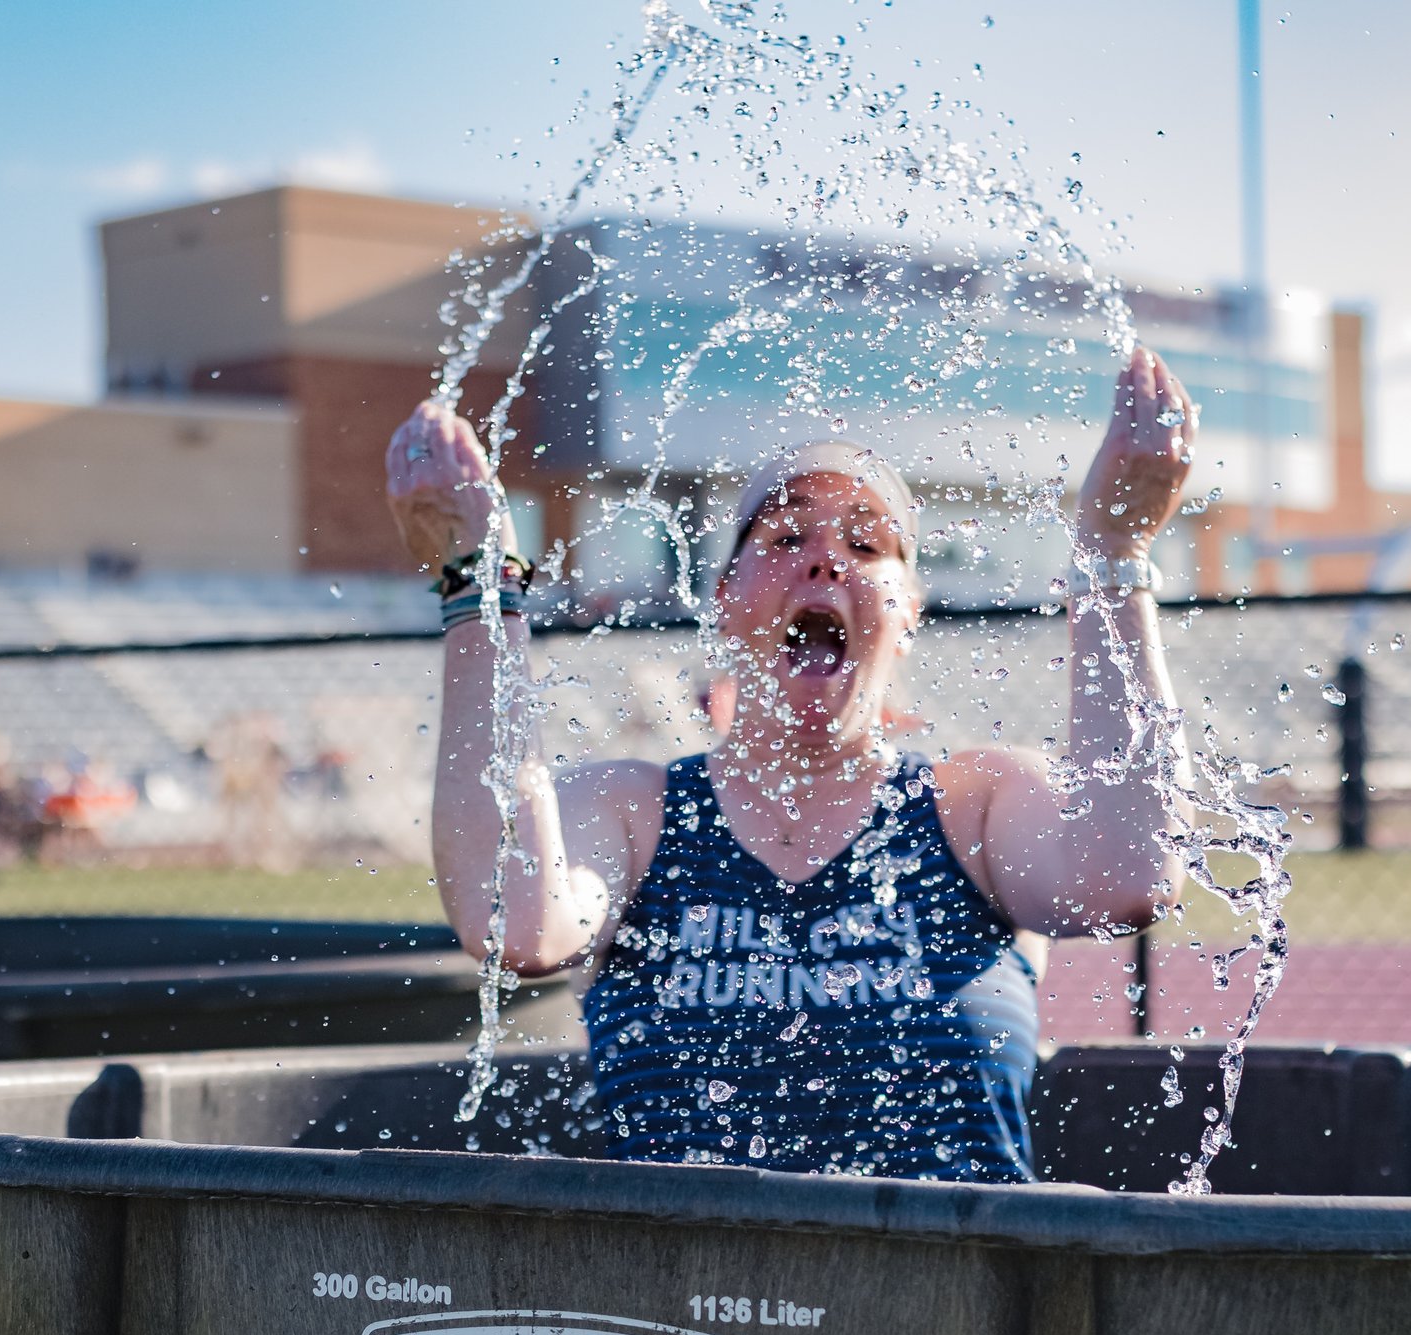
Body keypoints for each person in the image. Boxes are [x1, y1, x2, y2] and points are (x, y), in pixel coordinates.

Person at [387, 347, 1198, 1182]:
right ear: (726, 598)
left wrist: (1112, 551)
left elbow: (1127, 873)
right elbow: (511, 922)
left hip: (959, 1304)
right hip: (689, 1307)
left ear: (908, 611)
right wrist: (480, 585)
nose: (824, 560)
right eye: (783, 535)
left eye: (866, 542)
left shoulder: (977, 807)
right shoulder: (635, 812)